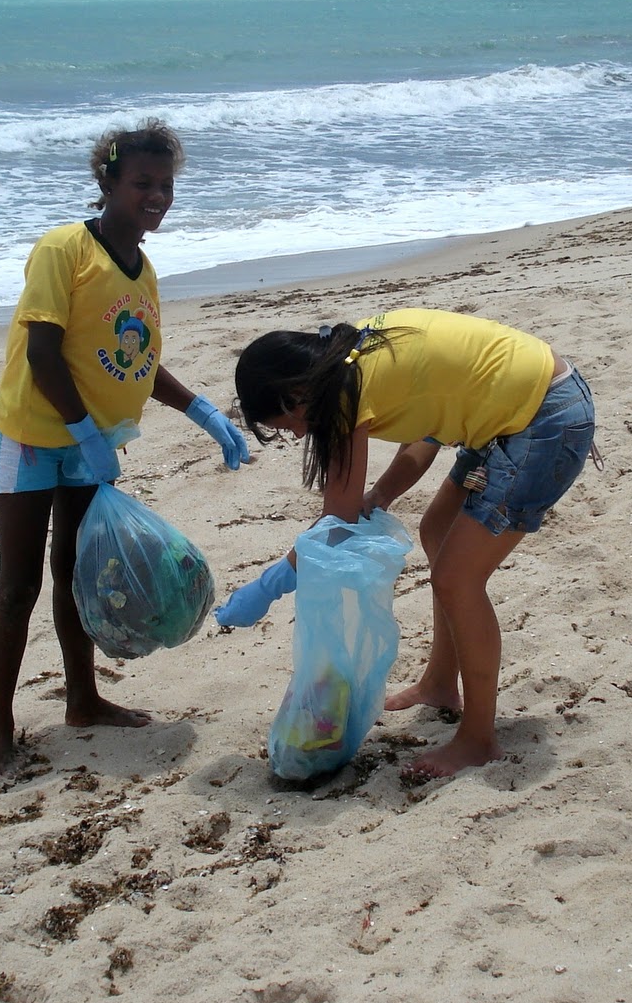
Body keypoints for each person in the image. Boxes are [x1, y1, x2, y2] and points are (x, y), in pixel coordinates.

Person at [0, 118, 251, 783]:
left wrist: (204, 412)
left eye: (166, 185)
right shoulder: (65, 248)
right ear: (108, 181)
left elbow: (141, 362)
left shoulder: (142, 269)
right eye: (142, 184)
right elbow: (42, 351)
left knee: (75, 570)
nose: (155, 196)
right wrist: (82, 434)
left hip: (86, 446)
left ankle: (82, 699)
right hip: (34, 438)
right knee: (19, 583)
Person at [216, 309, 596, 779]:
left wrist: (269, 587)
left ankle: (478, 738)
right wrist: (381, 494)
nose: (296, 433)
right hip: (515, 409)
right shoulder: (359, 351)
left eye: (286, 422)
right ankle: (439, 683)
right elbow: (427, 431)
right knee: (436, 531)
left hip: (542, 420)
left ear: (294, 392)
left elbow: (335, 521)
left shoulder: (344, 391)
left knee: (458, 579)